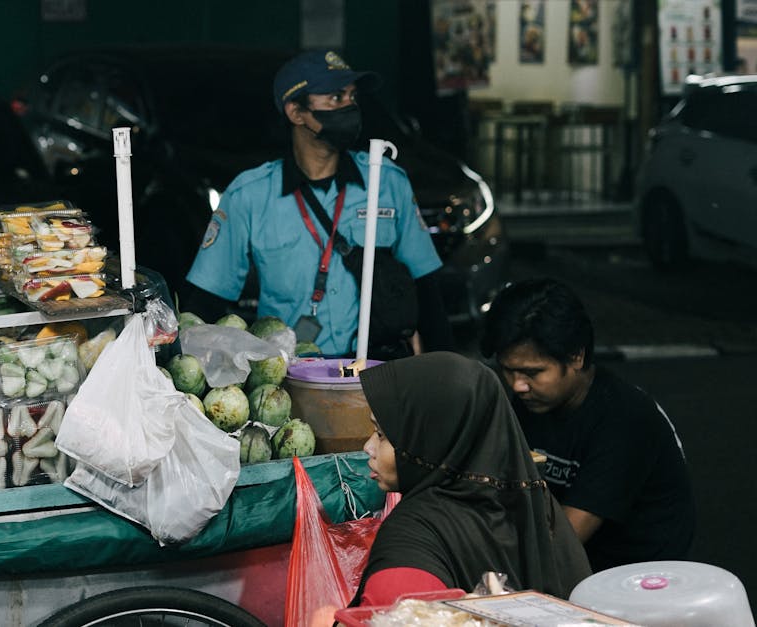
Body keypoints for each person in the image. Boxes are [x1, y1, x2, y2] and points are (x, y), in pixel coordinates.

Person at [182, 50, 452, 359]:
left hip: (377, 369)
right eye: (335, 98)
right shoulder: (249, 195)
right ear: (296, 113)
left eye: (352, 97)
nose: (349, 106)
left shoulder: (388, 183)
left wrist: (448, 373)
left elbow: (428, 290)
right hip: (291, 375)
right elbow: (207, 299)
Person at [480, 278, 695, 571]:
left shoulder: (626, 418)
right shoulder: (533, 399)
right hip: (575, 562)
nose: (518, 385)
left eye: (533, 372)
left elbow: (563, 539)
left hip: (636, 578)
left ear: (576, 356)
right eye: (508, 370)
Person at [354, 352, 591, 606]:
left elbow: (399, 608)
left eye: (381, 434)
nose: (368, 446)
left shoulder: (415, 533)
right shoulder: (534, 501)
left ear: (427, 441)